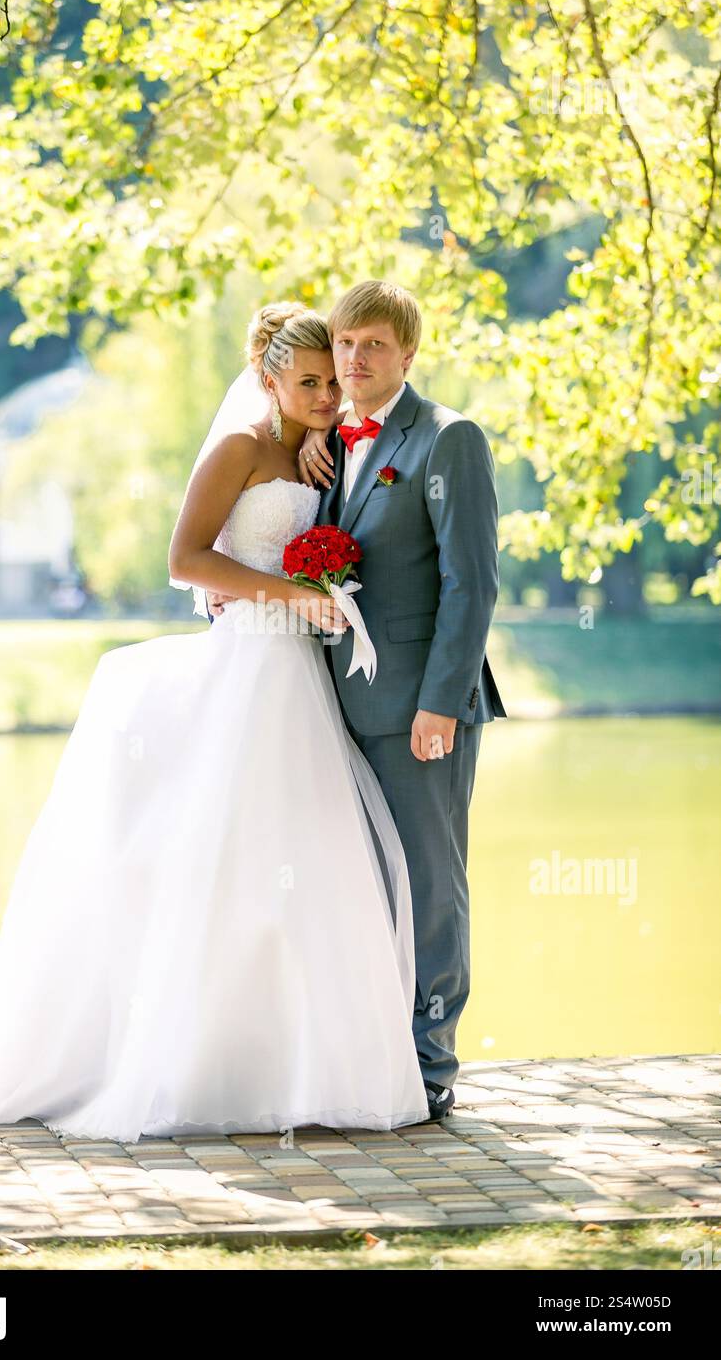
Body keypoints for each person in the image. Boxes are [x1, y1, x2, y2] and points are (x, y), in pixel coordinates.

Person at [0, 301, 429, 1141]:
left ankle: (306, 1066)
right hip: (251, 663)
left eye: (329, 382)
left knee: (306, 869)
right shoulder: (238, 448)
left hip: (301, 681)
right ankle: (199, 1067)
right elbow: (185, 561)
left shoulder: (324, 453)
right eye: (308, 382)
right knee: (227, 864)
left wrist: (319, 452)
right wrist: (295, 594)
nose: (326, 396)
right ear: (270, 378)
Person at [209, 281, 506, 1121]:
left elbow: (471, 584)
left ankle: (431, 1063)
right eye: (344, 345)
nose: (355, 359)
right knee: (363, 885)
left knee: (430, 882)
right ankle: (367, 1054)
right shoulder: (331, 442)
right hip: (327, 703)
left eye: (374, 344)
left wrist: (441, 704)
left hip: (421, 711)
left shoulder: (449, 440)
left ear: (407, 354)